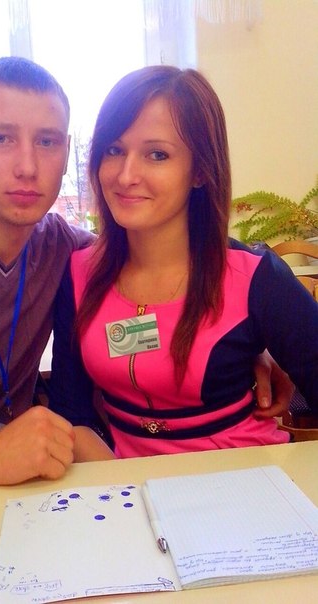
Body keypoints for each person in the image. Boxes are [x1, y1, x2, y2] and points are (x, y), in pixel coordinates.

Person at [0, 58, 292, 494]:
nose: (27, 166)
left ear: (66, 152)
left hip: (20, 493)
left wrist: (252, 339)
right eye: (1, 138)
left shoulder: (63, 249)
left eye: (47, 141)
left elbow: (174, 260)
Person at [48, 65, 318, 461]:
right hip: (126, 486)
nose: (126, 175)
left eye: (157, 154)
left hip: (245, 479)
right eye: (114, 150)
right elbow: (70, 413)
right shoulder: (78, 274)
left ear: (201, 170)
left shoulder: (254, 278)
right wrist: (129, 486)